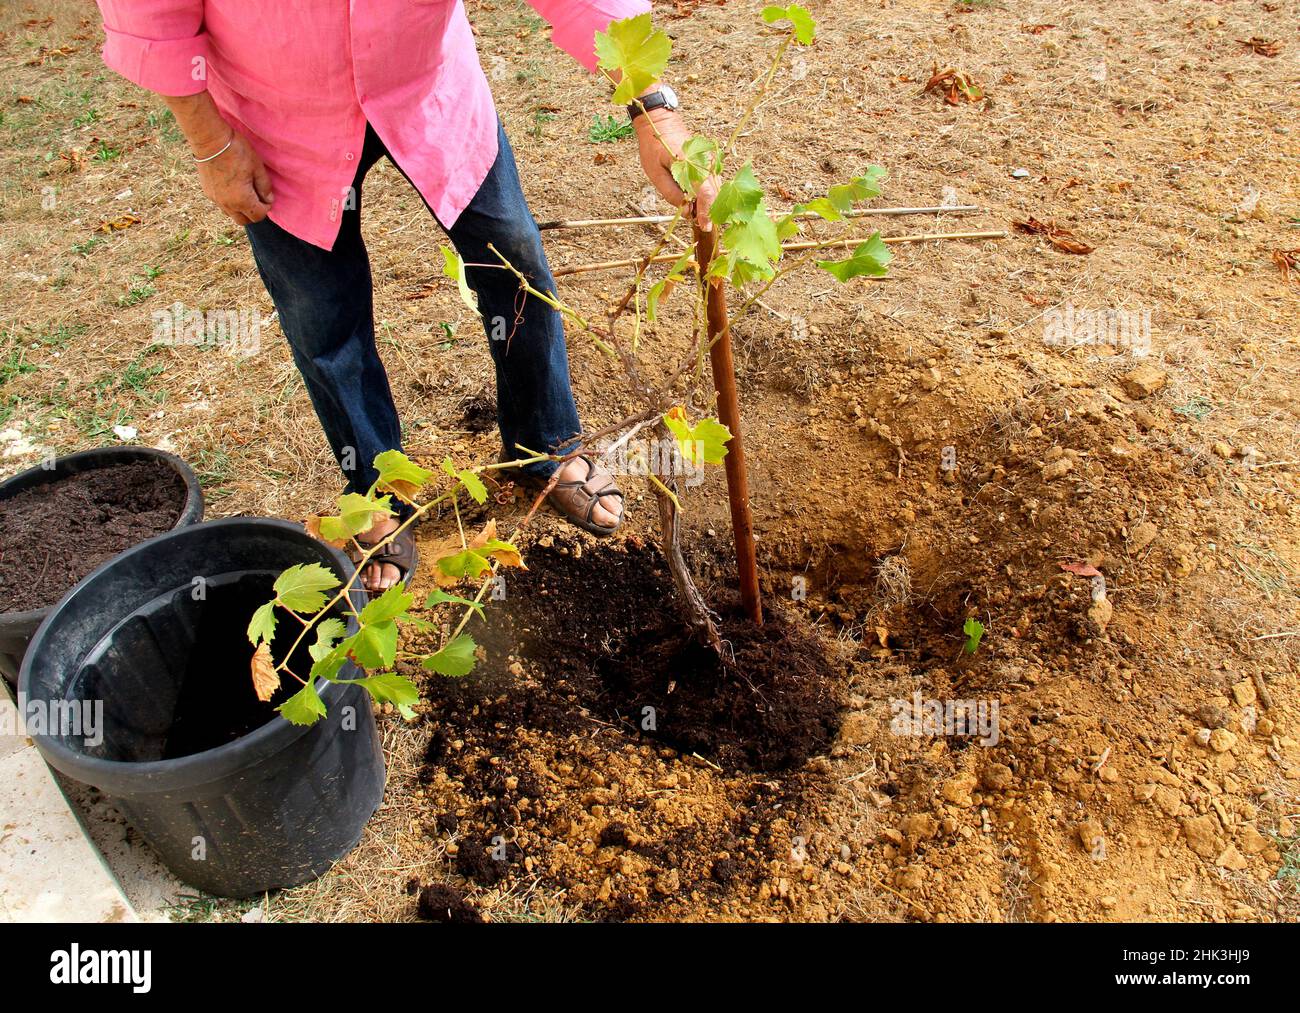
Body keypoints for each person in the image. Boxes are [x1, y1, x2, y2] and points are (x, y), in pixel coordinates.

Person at [94, 1, 718, 591]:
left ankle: (544, 446)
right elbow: (151, 12)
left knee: (512, 263)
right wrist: (213, 143)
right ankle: (374, 491)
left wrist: (653, 106)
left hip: (428, 91)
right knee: (322, 319)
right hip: (275, 117)